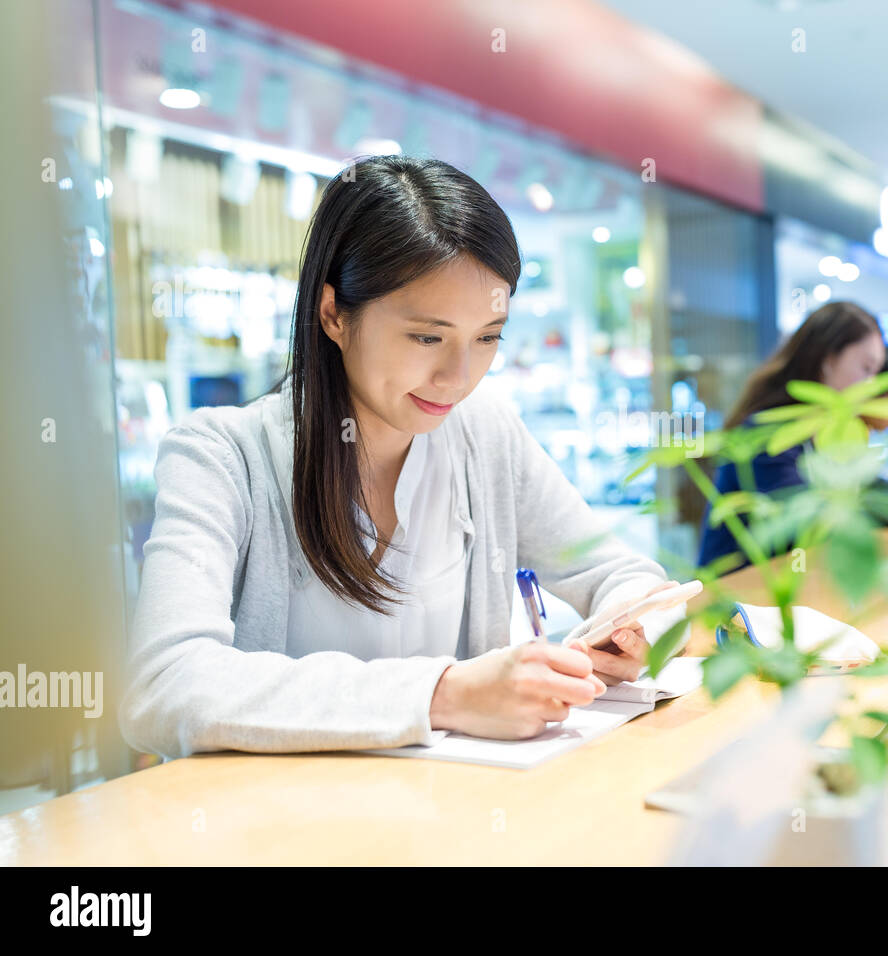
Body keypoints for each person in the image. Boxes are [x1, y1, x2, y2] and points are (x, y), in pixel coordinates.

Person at [119, 156, 683, 759]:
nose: (457, 376)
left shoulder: (483, 433)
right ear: (334, 313)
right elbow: (164, 685)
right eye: (427, 337)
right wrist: (445, 693)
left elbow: (620, 574)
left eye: (488, 336)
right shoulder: (222, 457)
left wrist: (631, 626)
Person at [697, 302, 888, 571]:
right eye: (866, 369)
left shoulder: (832, 431)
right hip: (737, 601)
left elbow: (865, 493)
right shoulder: (771, 430)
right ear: (827, 360)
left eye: (875, 374)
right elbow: (808, 528)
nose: (870, 388)